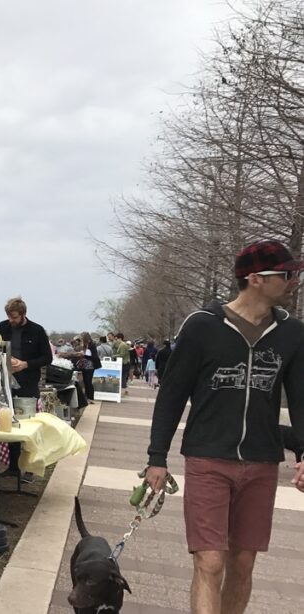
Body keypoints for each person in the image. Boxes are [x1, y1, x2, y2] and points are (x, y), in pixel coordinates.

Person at [145, 239, 304, 614]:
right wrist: (157, 456)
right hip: (207, 458)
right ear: (256, 279)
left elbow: (300, 399)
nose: (294, 279)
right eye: (287, 273)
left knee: (243, 563)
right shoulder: (201, 327)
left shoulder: (293, 334)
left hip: (262, 463)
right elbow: (171, 395)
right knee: (210, 561)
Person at [0, 296, 52, 480]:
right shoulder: (1, 328)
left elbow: (47, 358)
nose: (12, 321)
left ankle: (29, 467)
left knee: (28, 424)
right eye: (9, 317)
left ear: (23, 315)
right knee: (8, 422)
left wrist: (26, 364)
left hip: (28, 383)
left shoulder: (37, 331)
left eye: (15, 318)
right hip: (6, 383)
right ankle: (12, 465)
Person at [79, 331, 102, 402]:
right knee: (85, 381)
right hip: (85, 365)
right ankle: (87, 396)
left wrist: (84, 355)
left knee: (88, 381)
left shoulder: (91, 345)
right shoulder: (85, 345)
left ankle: (90, 397)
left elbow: (94, 356)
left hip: (90, 365)